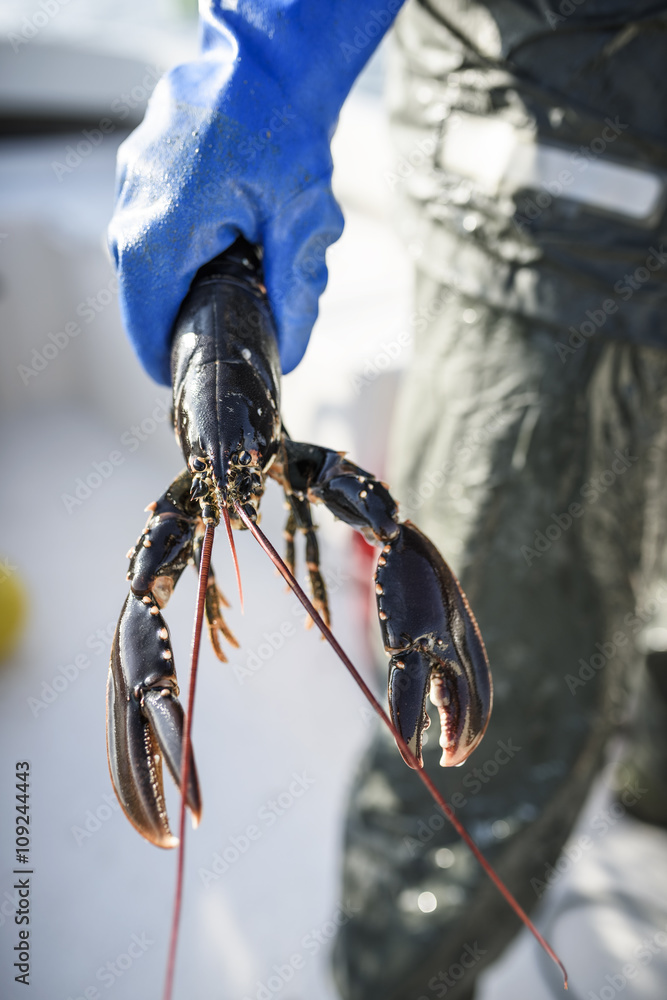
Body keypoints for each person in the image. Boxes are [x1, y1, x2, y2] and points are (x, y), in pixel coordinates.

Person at [108, 3, 667, 998]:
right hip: (555, 186)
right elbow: (155, 589)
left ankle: (651, 773)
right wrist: (273, 55)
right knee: (524, 633)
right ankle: (397, 975)